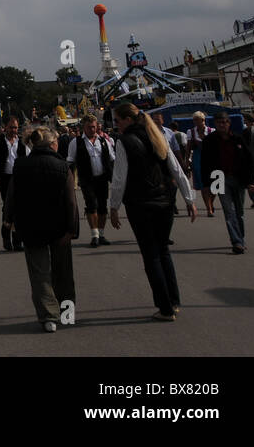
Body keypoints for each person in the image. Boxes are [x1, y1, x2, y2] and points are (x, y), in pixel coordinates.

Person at [108, 103, 196, 321]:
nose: (115, 125)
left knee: (151, 255)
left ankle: (164, 307)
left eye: (117, 120)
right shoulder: (157, 135)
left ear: (127, 120)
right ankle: (174, 301)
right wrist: (189, 199)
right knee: (163, 251)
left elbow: (120, 177)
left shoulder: (125, 142)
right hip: (164, 201)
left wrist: (114, 206)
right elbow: (176, 168)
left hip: (140, 204)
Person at [4, 125, 78, 332]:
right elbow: (71, 202)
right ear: (52, 143)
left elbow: (12, 196)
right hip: (59, 227)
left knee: (39, 273)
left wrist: (8, 220)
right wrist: (72, 229)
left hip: (31, 226)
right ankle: (68, 313)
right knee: (63, 273)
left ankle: (48, 317)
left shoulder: (20, 166)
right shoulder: (62, 166)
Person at [201, 112, 254, 254]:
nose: (222, 124)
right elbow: (205, 163)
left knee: (239, 212)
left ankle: (240, 237)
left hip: (239, 178)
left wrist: (251, 182)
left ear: (229, 123)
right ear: (215, 124)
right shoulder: (209, 141)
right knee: (229, 211)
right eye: (219, 122)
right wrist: (206, 184)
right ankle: (236, 241)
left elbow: (249, 161)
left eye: (225, 122)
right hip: (219, 178)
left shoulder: (238, 139)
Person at [67, 115, 114, 247]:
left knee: (102, 206)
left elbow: (111, 159)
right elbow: (70, 162)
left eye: (94, 126)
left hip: (102, 179)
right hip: (87, 180)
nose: (92, 129)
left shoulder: (104, 141)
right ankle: (95, 236)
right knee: (91, 205)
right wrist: (71, 182)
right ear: (84, 127)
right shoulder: (76, 142)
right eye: (89, 127)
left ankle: (101, 234)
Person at [0, 117, 25, 252]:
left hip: (19, 178)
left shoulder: (21, 141)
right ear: (5, 127)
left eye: (15, 128)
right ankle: (7, 237)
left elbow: (29, 157)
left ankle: (17, 238)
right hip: (4, 178)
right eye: (11, 127)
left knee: (19, 208)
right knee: (9, 207)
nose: (13, 130)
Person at [187, 112, 216, 217]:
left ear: (203, 120)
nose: (197, 122)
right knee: (204, 185)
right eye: (195, 120)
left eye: (198, 120)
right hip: (198, 158)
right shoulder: (191, 132)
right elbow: (188, 148)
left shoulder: (212, 131)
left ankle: (211, 202)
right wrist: (187, 162)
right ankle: (209, 208)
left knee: (215, 185)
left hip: (211, 158)